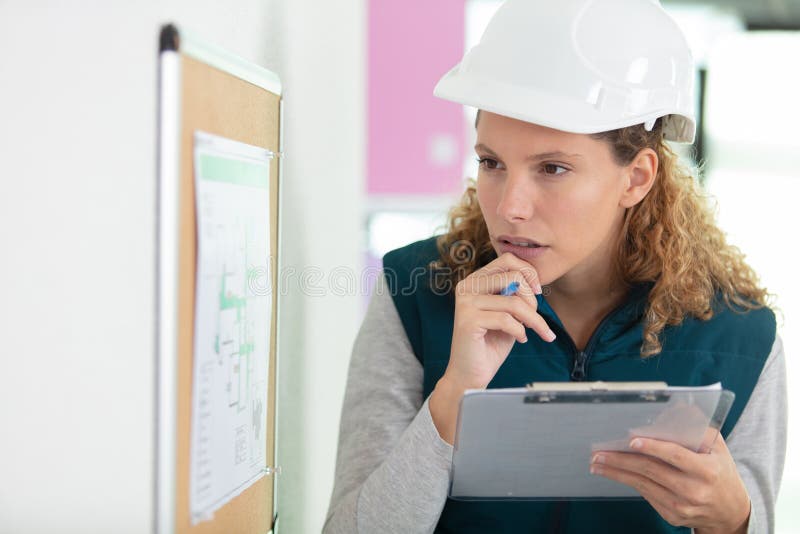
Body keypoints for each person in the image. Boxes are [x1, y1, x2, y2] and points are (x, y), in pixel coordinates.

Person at [323, 0, 787, 532]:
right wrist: (454, 393)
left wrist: (735, 522)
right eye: (491, 162)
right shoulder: (415, 295)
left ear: (636, 178)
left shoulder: (742, 337)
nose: (509, 205)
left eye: (553, 168)